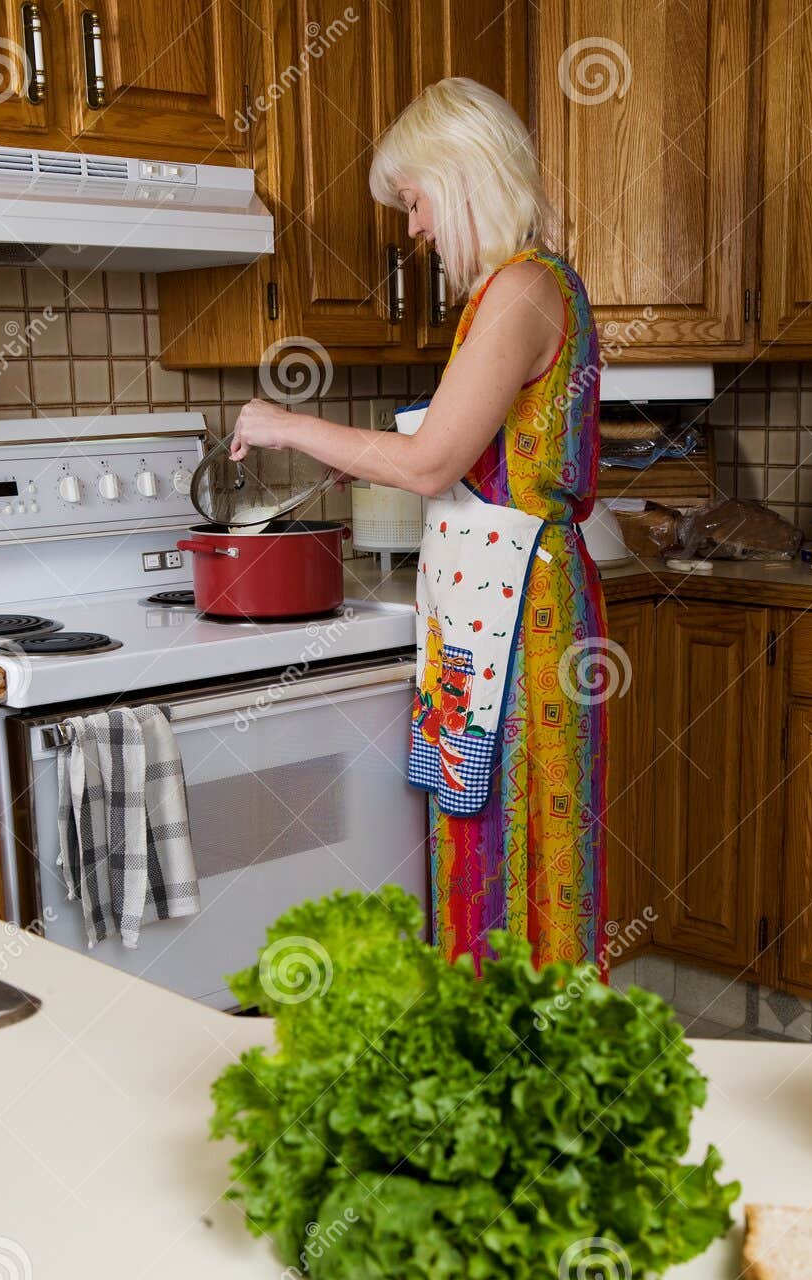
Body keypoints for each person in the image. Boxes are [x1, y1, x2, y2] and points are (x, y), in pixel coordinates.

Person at [230, 77, 607, 973]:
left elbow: (434, 463)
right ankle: (491, 1071)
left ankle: (531, 1078)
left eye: (414, 199)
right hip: (493, 610)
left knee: (519, 857)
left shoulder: (521, 291)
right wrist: (355, 453)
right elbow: (464, 454)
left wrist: (282, 422)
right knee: (482, 840)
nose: (414, 228)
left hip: (522, 619)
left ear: (461, 174)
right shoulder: (510, 292)